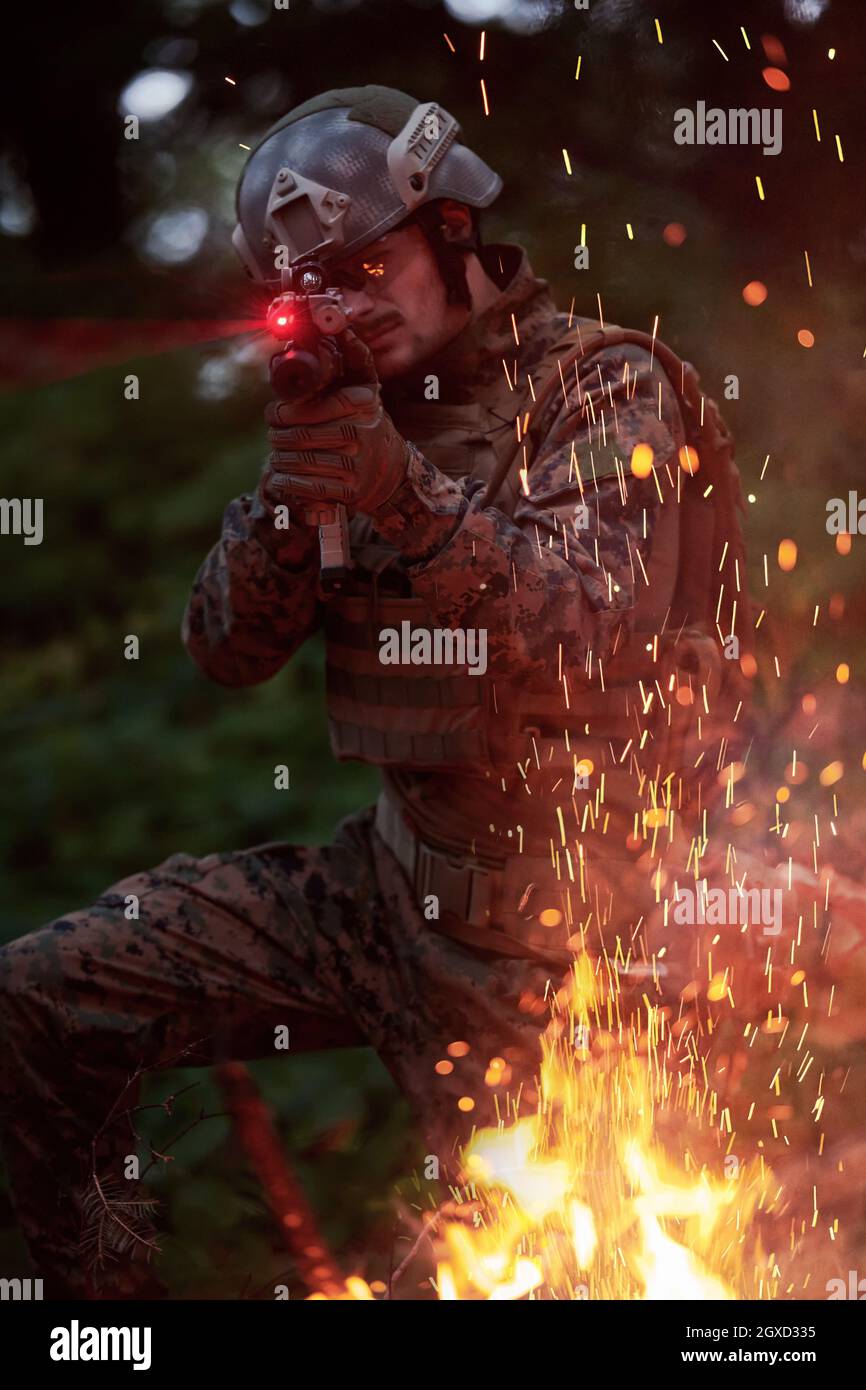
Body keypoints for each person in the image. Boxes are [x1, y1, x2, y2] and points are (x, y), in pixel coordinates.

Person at [0, 85, 750, 1299]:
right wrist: (295, 498)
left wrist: (398, 496)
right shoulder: (352, 415)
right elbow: (226, 651)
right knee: (43, 995)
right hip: (390, 898)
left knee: (561, 1269)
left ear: (451, 231)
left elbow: (592, 633)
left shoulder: (601, 387)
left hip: (579, 953)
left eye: (367, 263)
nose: (345, 303)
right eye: (315, 285)